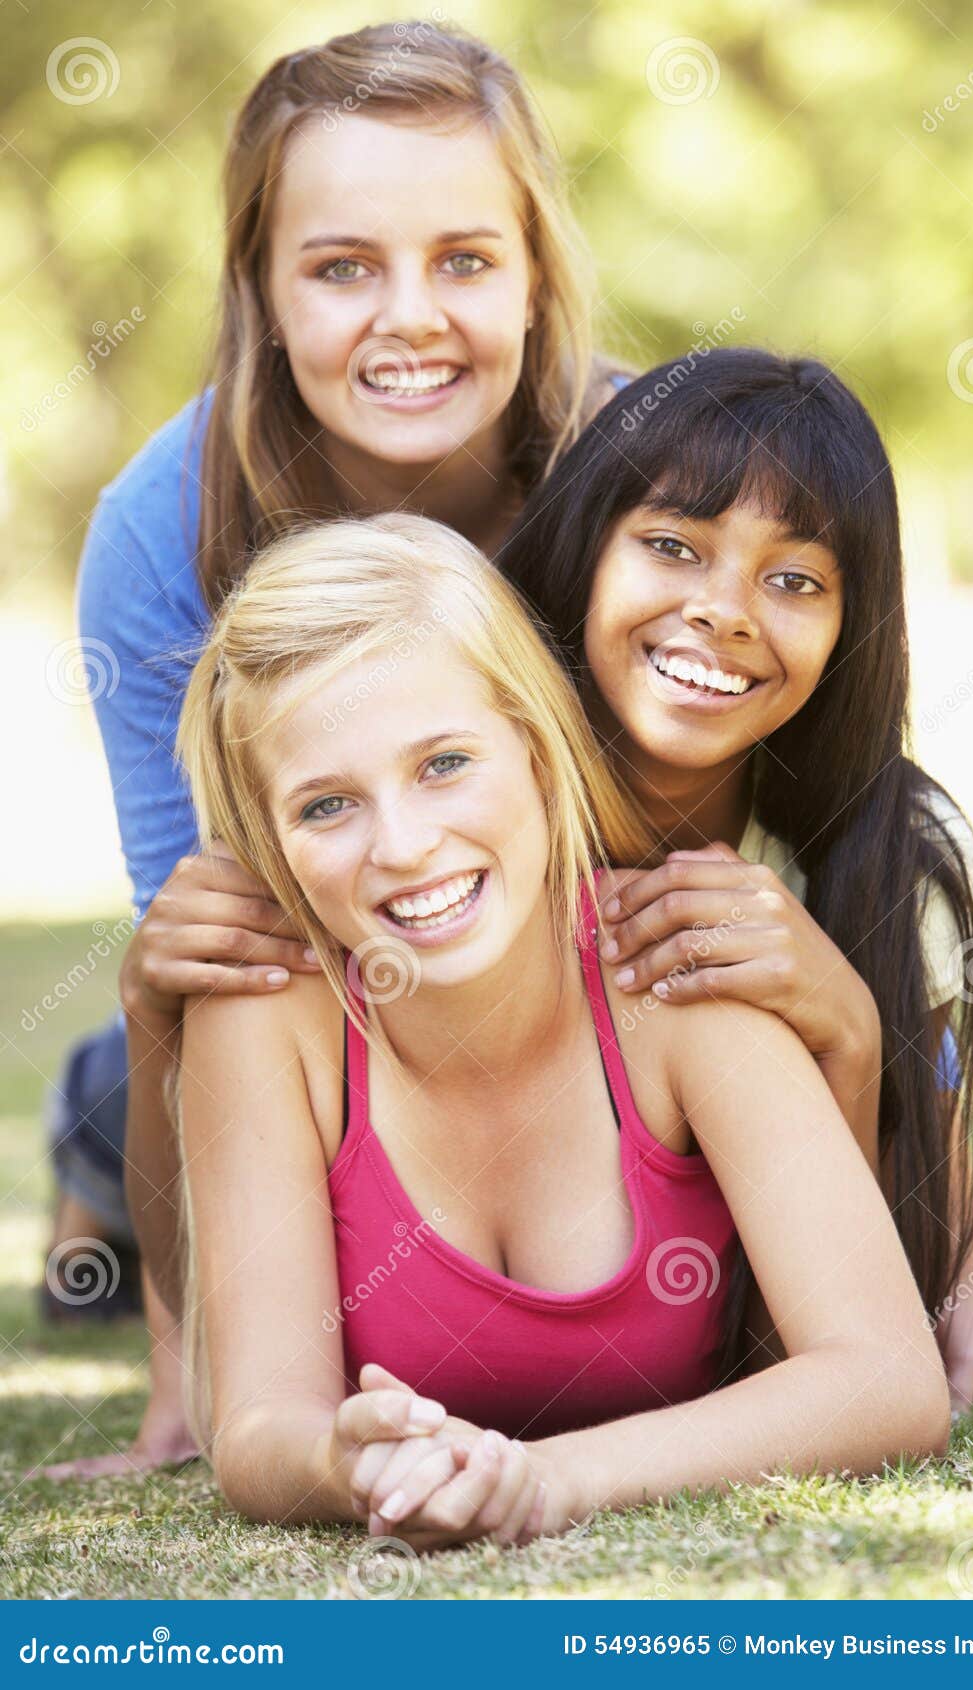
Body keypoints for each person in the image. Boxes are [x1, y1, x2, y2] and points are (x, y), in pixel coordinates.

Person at [48, 20, 628, 1480]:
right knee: (176, 1005)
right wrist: (192, 1378)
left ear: (536, 272)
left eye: (464, 259)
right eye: (340, 266)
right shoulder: (157, 533)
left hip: (560, 990)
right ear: (258, 289)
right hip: (340, 986)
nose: (409, 316)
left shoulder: (647, 475)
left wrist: (934, 1282)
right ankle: (90, 1149)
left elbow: (856, 853)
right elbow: (212, 953)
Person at [172, 512, 948, 1549]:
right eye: (324, 807)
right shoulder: (268, 1012)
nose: (403, 845)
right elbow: (259, 1425)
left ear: (537, 750)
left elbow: (888, 1379)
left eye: (444, 762)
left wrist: (540, 1480)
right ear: (268, 838)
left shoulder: (671, 971)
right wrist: (342, 1460)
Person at [497, 345, 973, 1404]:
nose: (725, 609)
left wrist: (845, 1028)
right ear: (583, 550)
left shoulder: (876, 849)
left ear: (852, 625)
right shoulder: (475, 807)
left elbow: (840, 1322)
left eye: (793, 578)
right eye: (672, 544)